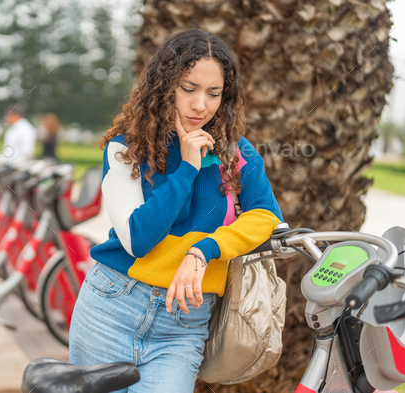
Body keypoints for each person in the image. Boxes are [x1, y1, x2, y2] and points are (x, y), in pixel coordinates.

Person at [68, 29, 283, 393]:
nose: (201, 105)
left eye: (214, 93)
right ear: (164, 85)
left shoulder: (238, 152)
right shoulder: (124, 151)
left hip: (183, 324)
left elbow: (265, 216)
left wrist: (204, 250)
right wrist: (187, 167)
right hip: (111, 308)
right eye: (189, 89)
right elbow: (138, 238)